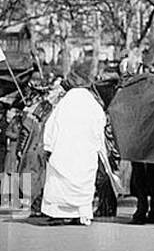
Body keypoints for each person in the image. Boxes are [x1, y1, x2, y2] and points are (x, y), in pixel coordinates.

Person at [36, 85, 108, 226]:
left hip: (64, 151)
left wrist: (49, 147)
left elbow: (51, 127)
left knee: (61, 184)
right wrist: (98, 147)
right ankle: (81, 214)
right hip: (85, 152)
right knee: (83, 183)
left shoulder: (64, 104)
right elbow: (100, 127)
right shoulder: (93, 105)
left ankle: (58, 214)